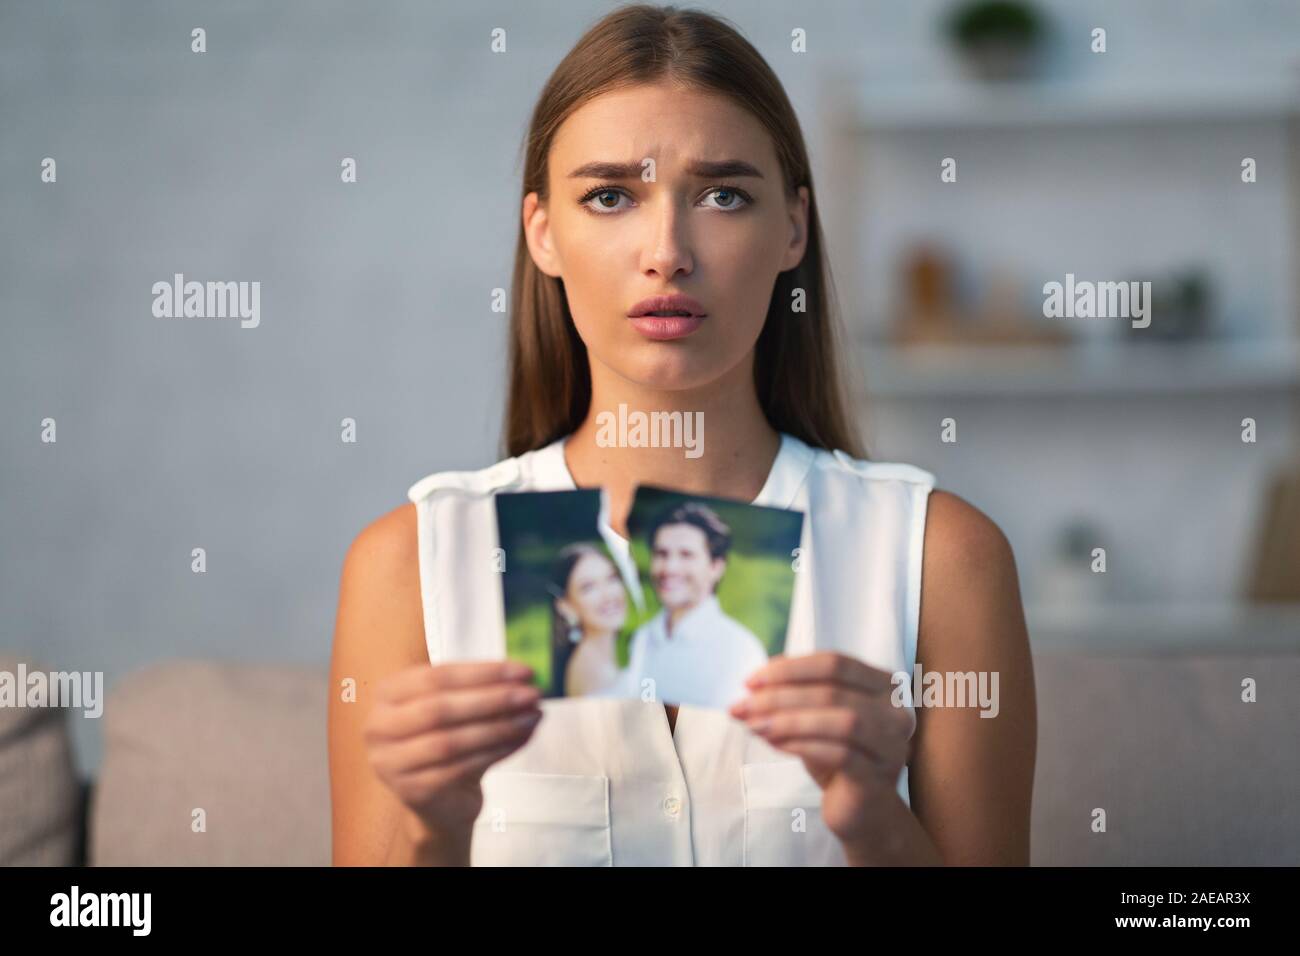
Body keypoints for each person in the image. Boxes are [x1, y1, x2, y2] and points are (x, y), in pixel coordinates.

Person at [330, 4, 1035, 866]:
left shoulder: (942, 559)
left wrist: (870, 820)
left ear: (793, 230)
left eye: (723, 194)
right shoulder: (412, 565)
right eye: (611, 196)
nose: (667, 251)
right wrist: (431, 829)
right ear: (543, 233)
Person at [618, 502, 769, 708]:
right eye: (661, 554)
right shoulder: (642, 637)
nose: (670, 568)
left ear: (716, 567)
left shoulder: (741, 650)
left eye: (686, 555)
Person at [546, 543, 627, 698]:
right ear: (566, 607)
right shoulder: (593, 673)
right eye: (589, 587)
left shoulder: (598, 660)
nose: (608, 594)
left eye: (611, 578)